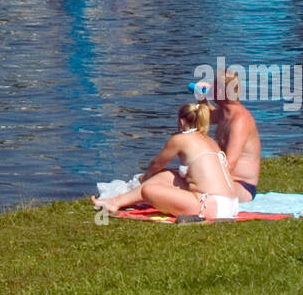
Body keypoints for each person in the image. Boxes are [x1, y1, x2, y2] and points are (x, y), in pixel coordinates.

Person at [91, 102, 239, 220]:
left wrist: (144, 180)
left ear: (181, 121)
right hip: (231, 204)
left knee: (148, 190)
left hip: (212, 206)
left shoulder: (180, 139)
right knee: (167, 175)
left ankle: (115, 203)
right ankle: (117, 201)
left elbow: (156, 164)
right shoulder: (209, 140)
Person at [210, 68, 261, 202]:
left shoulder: (240, 120)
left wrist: (201, 175)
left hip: (242, 185)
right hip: (225, 179)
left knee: (197, 189)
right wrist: (202, 99)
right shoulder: (225, 113)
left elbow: (230, 164)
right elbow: (204, 119)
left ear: (220, 92)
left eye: (213, 86)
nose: (210, 88)